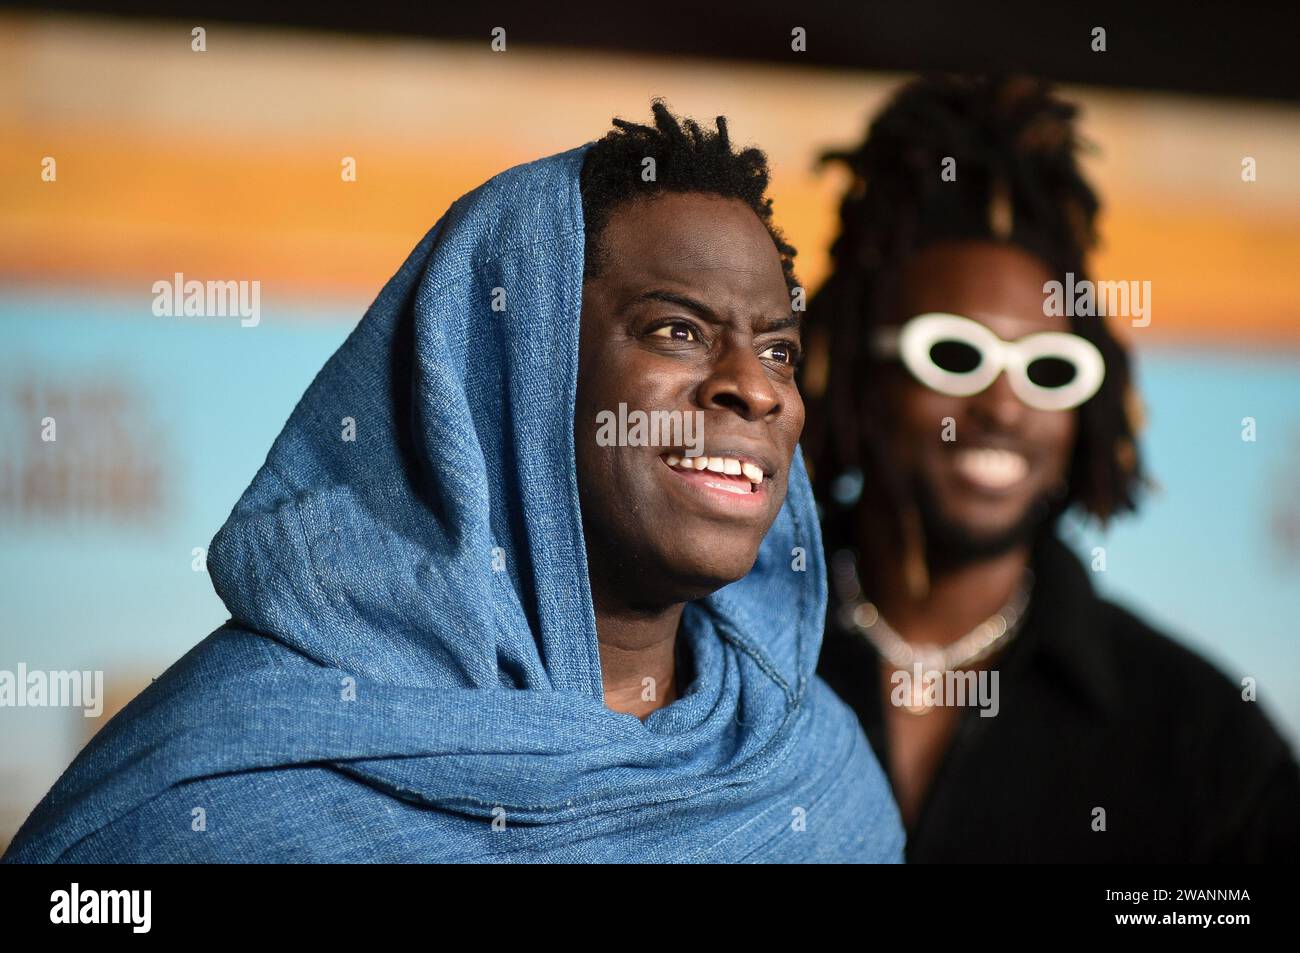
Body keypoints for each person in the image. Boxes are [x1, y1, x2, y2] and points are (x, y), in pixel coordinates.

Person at [2, 102, 903, 863]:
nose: (754, 386)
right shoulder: (226, 787)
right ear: (509, 370)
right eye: (676, 330)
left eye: (779, 348)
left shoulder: (815, 786)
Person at [801, 76, 1300, 861]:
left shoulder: (1201, 736)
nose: (1004, 406)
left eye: (1049, 368)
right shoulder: (717, 647)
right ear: (858, 376)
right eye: (955, 354)